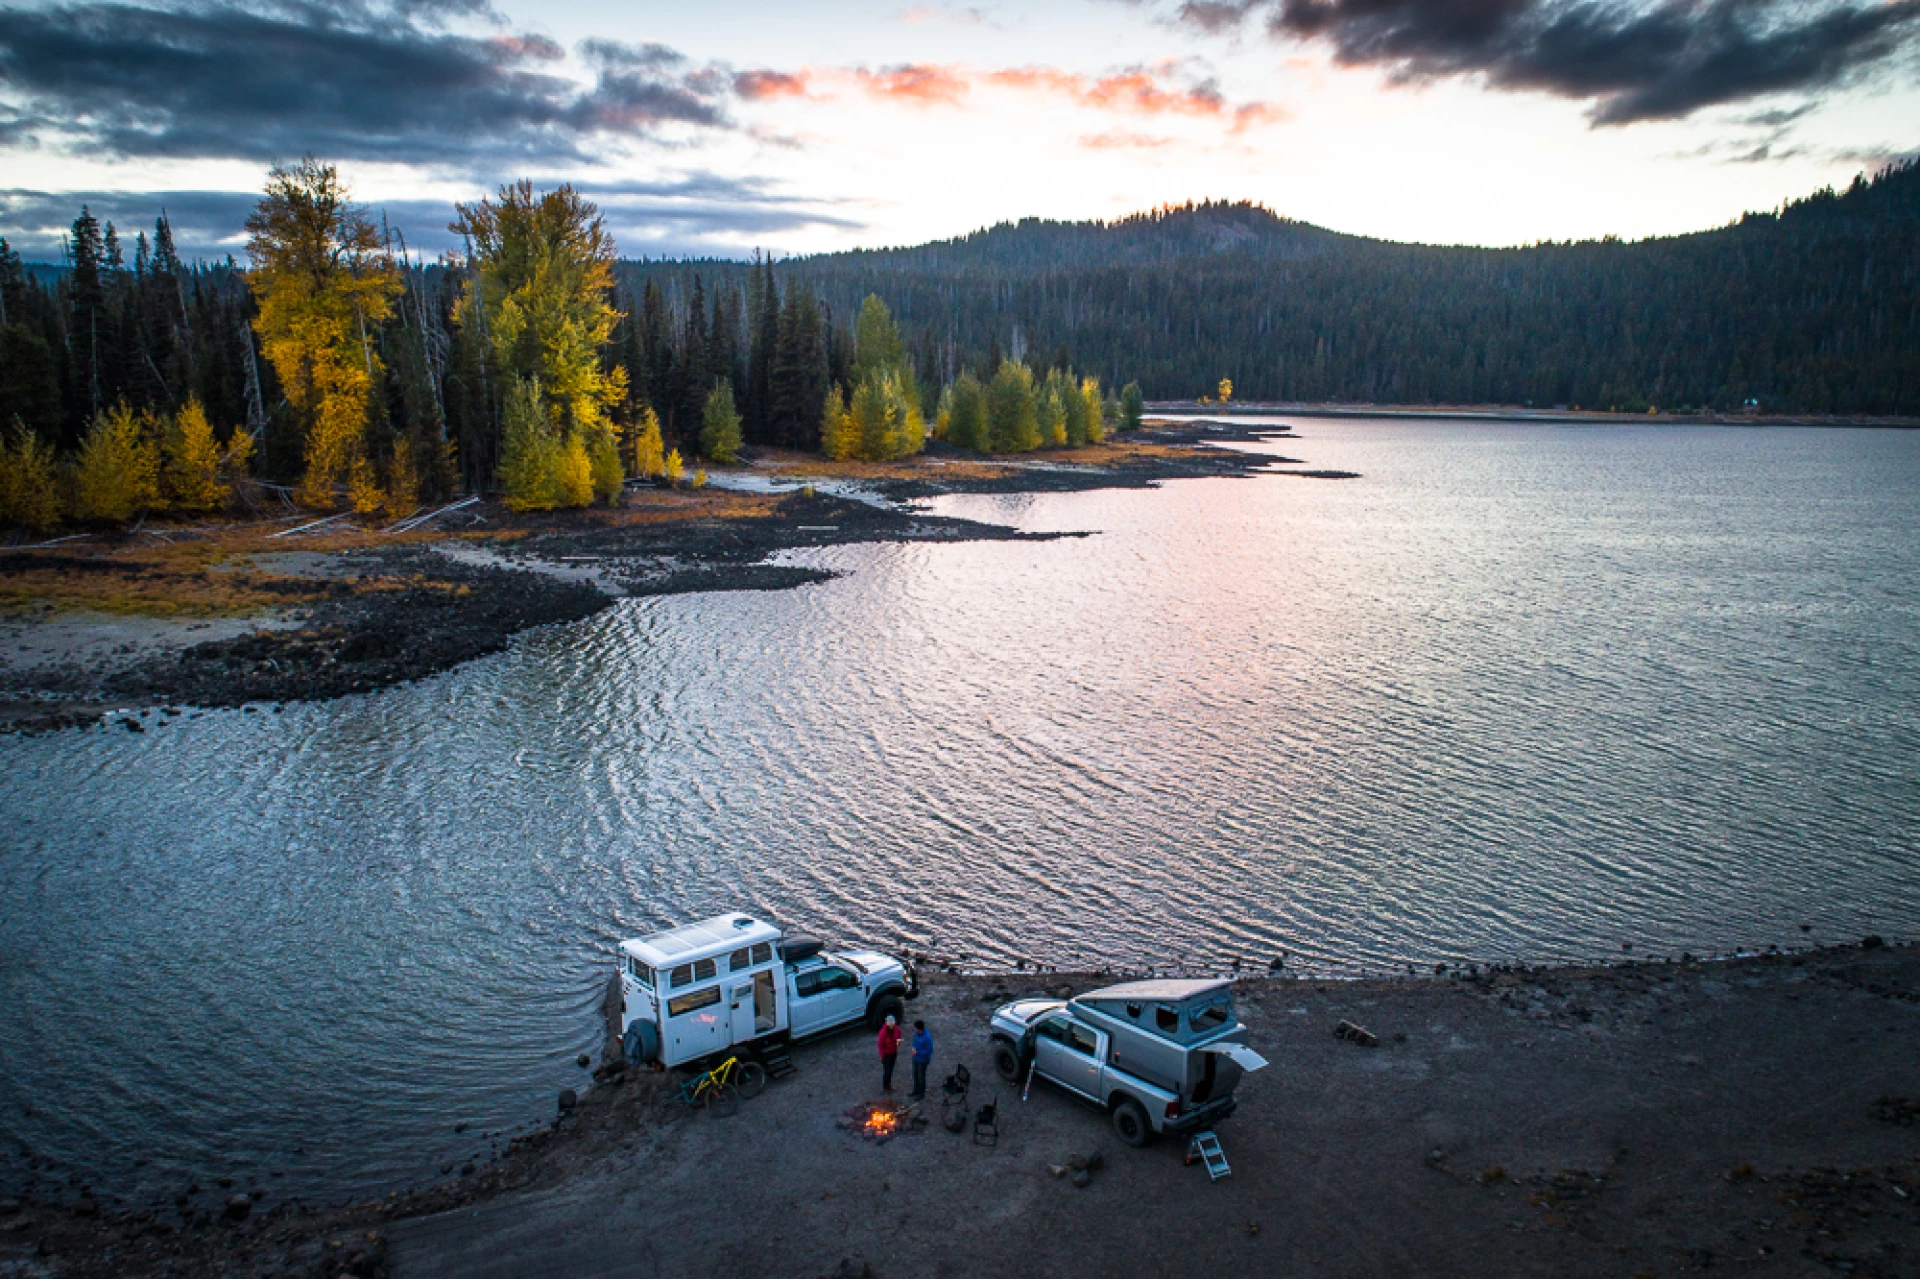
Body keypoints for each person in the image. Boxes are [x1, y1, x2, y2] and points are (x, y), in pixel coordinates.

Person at [909, 1019, 934, 1099]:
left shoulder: (927, 1038)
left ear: (919, 1028)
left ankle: (921, 1094)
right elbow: (915, 1042)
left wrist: (918, 1052)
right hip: (916, 1058)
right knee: (915, 1075)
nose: (914, 1029)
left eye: (915, 1028)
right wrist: (913, 1048)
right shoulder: (916, 1034)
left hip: (922, 1061)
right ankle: (916, 1090)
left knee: (921, 1077)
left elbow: (929, 1051)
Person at [877, 1014, 901, 1092]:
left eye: (893, 1024)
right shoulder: (883, 1033)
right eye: (891, 1025)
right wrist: (882, 1056)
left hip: (893, 1052)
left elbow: (899, 1038)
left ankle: (888, 1084)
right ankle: (885, 1086)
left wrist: (898, 1044)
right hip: (886, 1054)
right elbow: (880, 1045)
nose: (892, 1026)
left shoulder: (897, 1029)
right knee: (887, 1070)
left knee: (891, 1069)